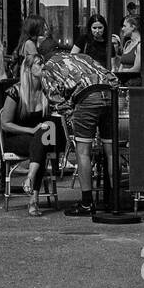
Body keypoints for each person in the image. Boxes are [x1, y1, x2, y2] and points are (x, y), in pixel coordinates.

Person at [39, 51, 118, 218]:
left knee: (83, 153)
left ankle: (87, 202)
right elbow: (110, 75)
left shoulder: (48, 67)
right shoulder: (83, 57)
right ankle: (115, 200)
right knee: (112, 152)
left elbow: (55, 99)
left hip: (86, 97)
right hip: (110, 93)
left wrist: (71, 112)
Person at [0, 59, 56, 217]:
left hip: (40, 139)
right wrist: (31, 130)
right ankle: (33, 200)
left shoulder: (46, 91)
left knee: (43, 136)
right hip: (16, 138)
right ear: (29, 69)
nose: (43, 67)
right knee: (40, 144)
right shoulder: (15, 91)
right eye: (39, 64)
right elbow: (5, 124)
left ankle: (30, 178)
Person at [115, 13, 144, 84]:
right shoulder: (128, 44)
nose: (122, 29)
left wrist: (123, 72)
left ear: (133, 27)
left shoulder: (141, 45)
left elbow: (136, 69)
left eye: (124, 26)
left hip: (135, 84)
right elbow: (122, 64)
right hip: (123, 82)